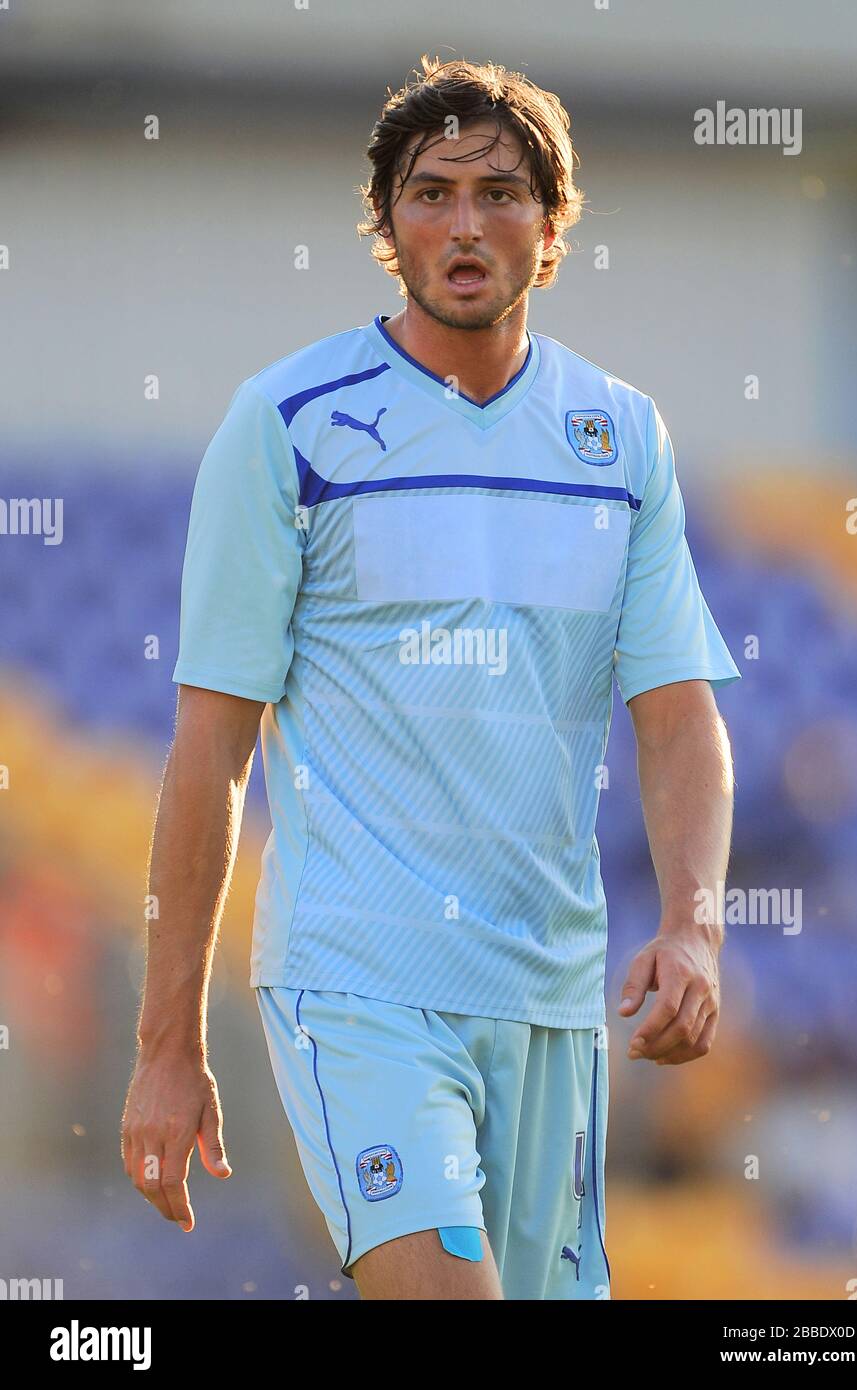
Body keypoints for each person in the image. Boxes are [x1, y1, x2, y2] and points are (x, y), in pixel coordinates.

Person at [122, 54, 740, 1301]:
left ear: (551, 228)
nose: (464, 224)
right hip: (357, 981)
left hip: (551, 1000)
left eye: (501, 192)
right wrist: (165, 1042)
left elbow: (676, 717)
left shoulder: (619, 437)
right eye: (430, 192)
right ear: (388, 223)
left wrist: (694, 926)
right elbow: (210, 753)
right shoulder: (287, 424)